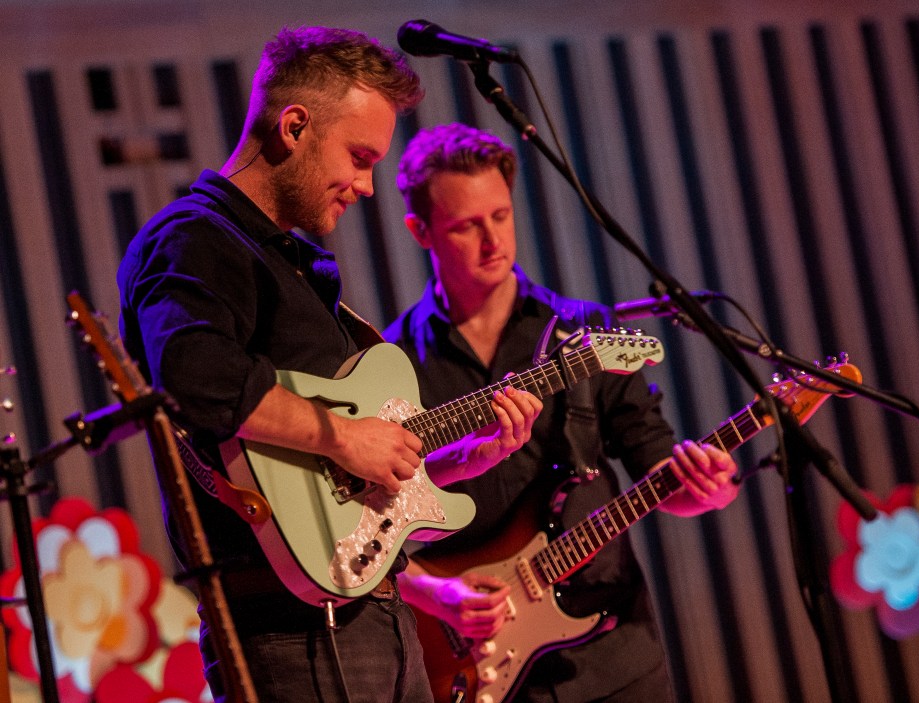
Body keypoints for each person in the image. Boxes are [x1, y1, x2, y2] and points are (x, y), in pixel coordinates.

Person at [117, 30, 542, 703]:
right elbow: (198, 381)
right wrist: (349, 436)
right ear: (294, 126)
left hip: (370, 610)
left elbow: (330, 482)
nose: (369, 185)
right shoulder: (195, 239)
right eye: (360, 156)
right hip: (290, 633)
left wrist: (455, 461)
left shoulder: (287, 264)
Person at [384, 122, 741, 702]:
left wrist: (706, 490)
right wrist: (437, 595)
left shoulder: (583, 332)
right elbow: (374, 524)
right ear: (420, 231)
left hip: (616, 656)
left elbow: (657, 464)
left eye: (500, 216)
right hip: (476, 664)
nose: (493, 240)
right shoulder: (396, 366)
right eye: (467, 226)